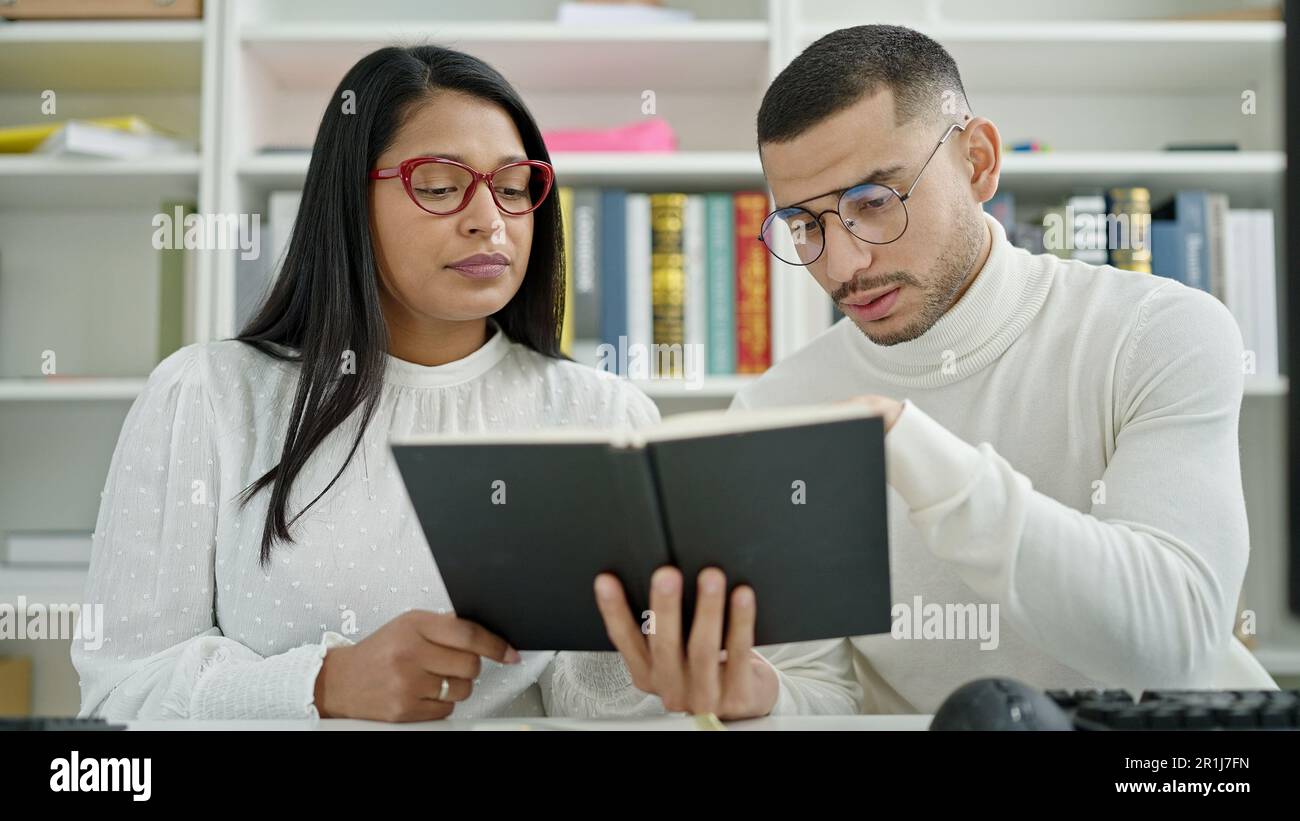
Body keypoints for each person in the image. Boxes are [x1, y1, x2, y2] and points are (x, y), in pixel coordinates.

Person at [72, 44, 858, 722]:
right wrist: (325, 682)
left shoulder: (600, 411)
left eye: (515, 186)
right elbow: (118, 691)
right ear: (350, 199)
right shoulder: (208, 396)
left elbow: (597, 709)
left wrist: (675, 659)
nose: (491, 219)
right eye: (442, 184)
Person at [590, 23, 1274, 716]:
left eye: (874, 203)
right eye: (805, 224)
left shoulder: (1157, 330)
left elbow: (1174, 643)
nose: (842, 266)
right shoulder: (777, 407)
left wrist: (911, 446)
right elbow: (827, 693)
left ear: (978, 161)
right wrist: (761, 699)